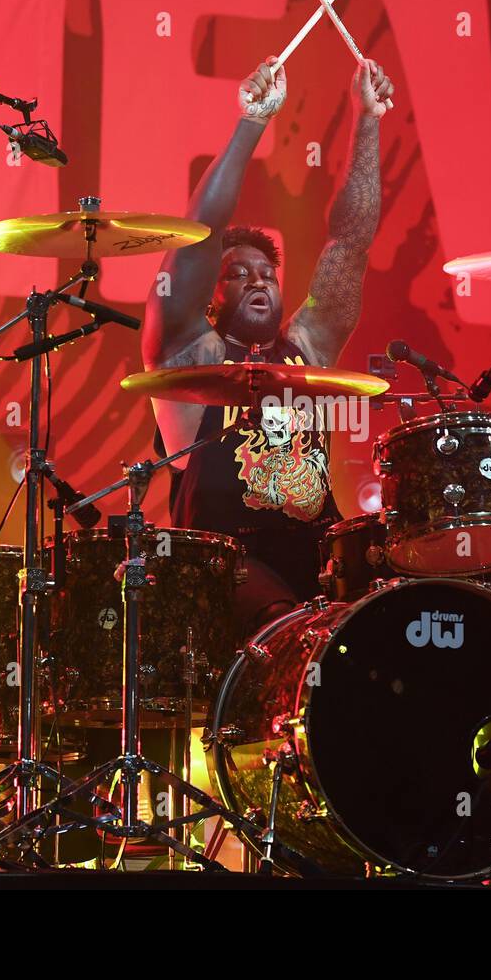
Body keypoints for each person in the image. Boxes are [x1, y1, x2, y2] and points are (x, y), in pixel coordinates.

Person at [141, 54, 393, 633]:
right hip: (225, 568)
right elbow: (199, 232)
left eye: (268, 274)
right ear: (209, 296)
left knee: (385, 621)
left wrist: (369, 119)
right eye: (238, 274)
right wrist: (253, 121)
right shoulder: (189, 355)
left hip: (318, 559)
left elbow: (350, 241)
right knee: (292, 629)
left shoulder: (307, 346)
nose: (259, 280)